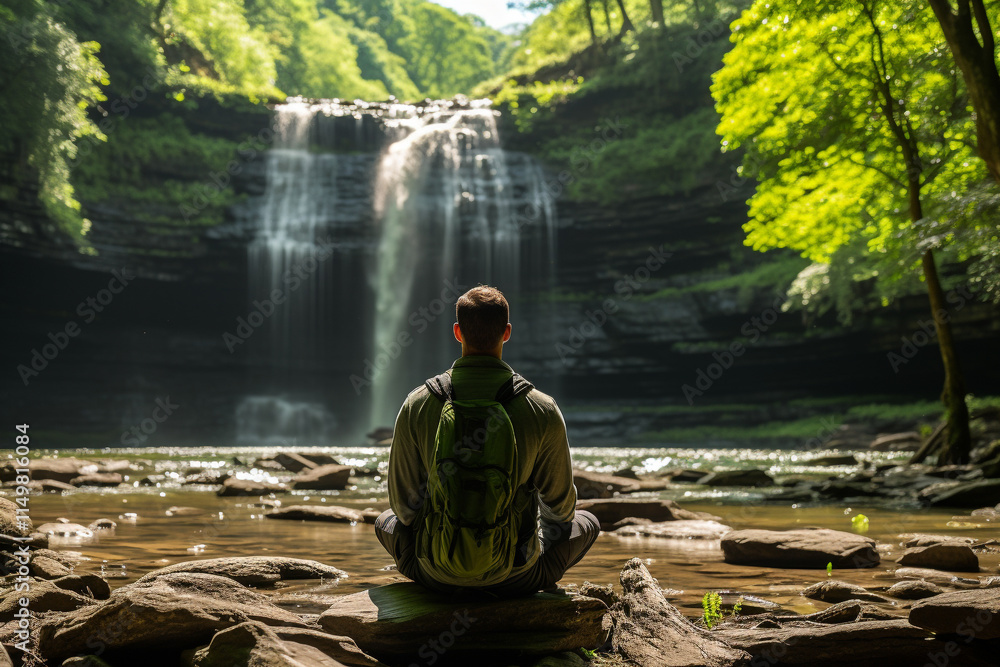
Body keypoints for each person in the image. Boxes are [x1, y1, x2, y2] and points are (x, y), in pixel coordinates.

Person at [374, 285, 599, 596]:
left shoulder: (418, 402)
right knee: (588, 522)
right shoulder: (541, 407)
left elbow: (403, 507)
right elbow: (561, 510)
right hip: (515, 578)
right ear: (506, 333)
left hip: (433, 573)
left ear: (457, 332)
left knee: (383, 520)